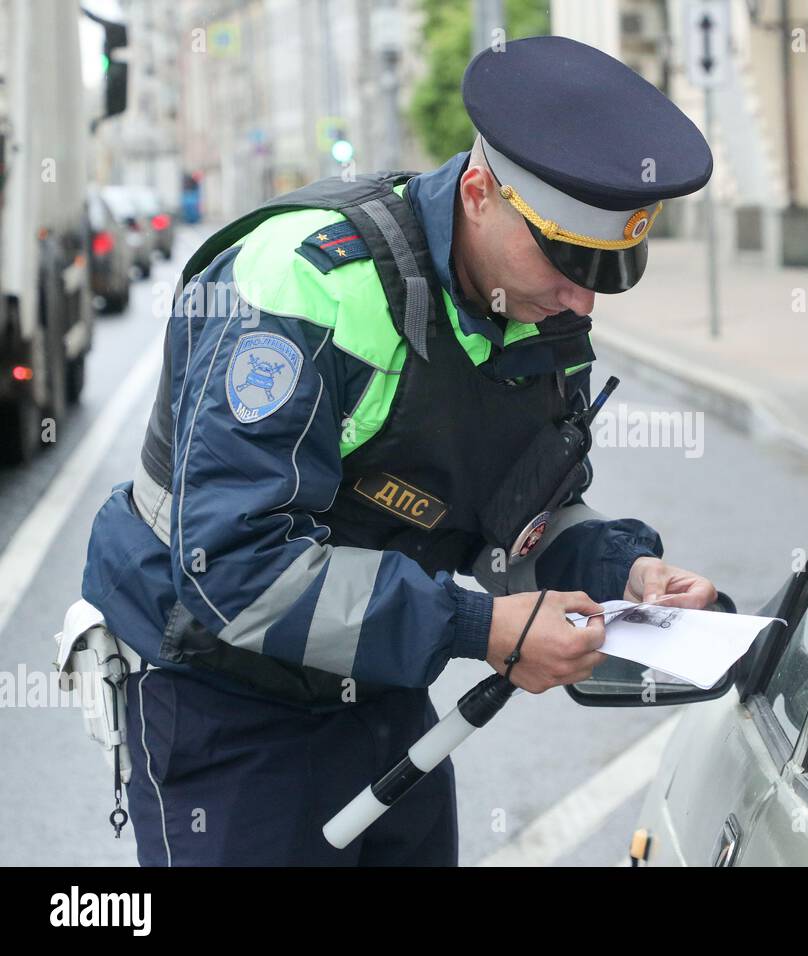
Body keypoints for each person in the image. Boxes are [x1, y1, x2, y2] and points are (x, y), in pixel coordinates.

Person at [80, 36, 720, 866]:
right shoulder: (304, 285)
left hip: (379, 691)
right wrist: (482, 626)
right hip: (220, 698)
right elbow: (231, 562)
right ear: (481, 192)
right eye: (564, 256)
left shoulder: (544, 311)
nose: (580, 296)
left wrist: (622, 575)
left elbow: (523, 519)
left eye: (613, 265)